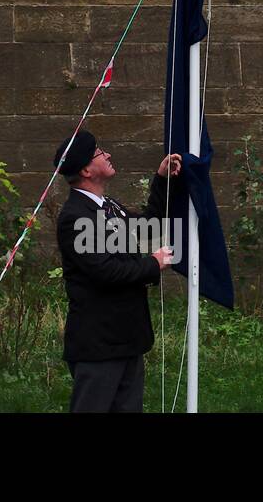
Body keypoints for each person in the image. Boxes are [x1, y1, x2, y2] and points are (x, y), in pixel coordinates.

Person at [54, 129, 179, 413]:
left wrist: (161, 180)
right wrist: (152, 264)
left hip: (126, 338)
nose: (107, 154)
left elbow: (149, 227)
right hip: (99, 344)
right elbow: (106, 271)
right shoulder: (76, 217)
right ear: (86, 169)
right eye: (99, 152)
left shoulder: (108, 207)